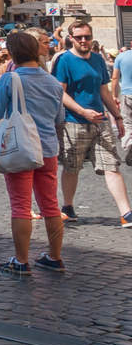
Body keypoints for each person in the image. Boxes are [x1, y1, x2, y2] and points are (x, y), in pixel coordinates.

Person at [0, 30, 78, 275]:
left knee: (20, 205)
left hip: (21, 149)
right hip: (48, 149)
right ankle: (55, 257)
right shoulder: (52, 82)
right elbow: (59, 118)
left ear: (13, 54)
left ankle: (21, 260)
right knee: (50, 205)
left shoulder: (10, 79)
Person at [52, 19, 132, 227]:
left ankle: (126, 213)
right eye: (79, 37)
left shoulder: (97, 60)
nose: (84, 40)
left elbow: (103, 91)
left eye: (87, 36)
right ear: (71, 39)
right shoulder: (64, 61)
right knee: (72, 167)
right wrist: (81, 111)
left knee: (112, 165)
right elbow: (59, 92)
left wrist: (118, 116)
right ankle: (67, 207)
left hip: (100, 122)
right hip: (73, 122)